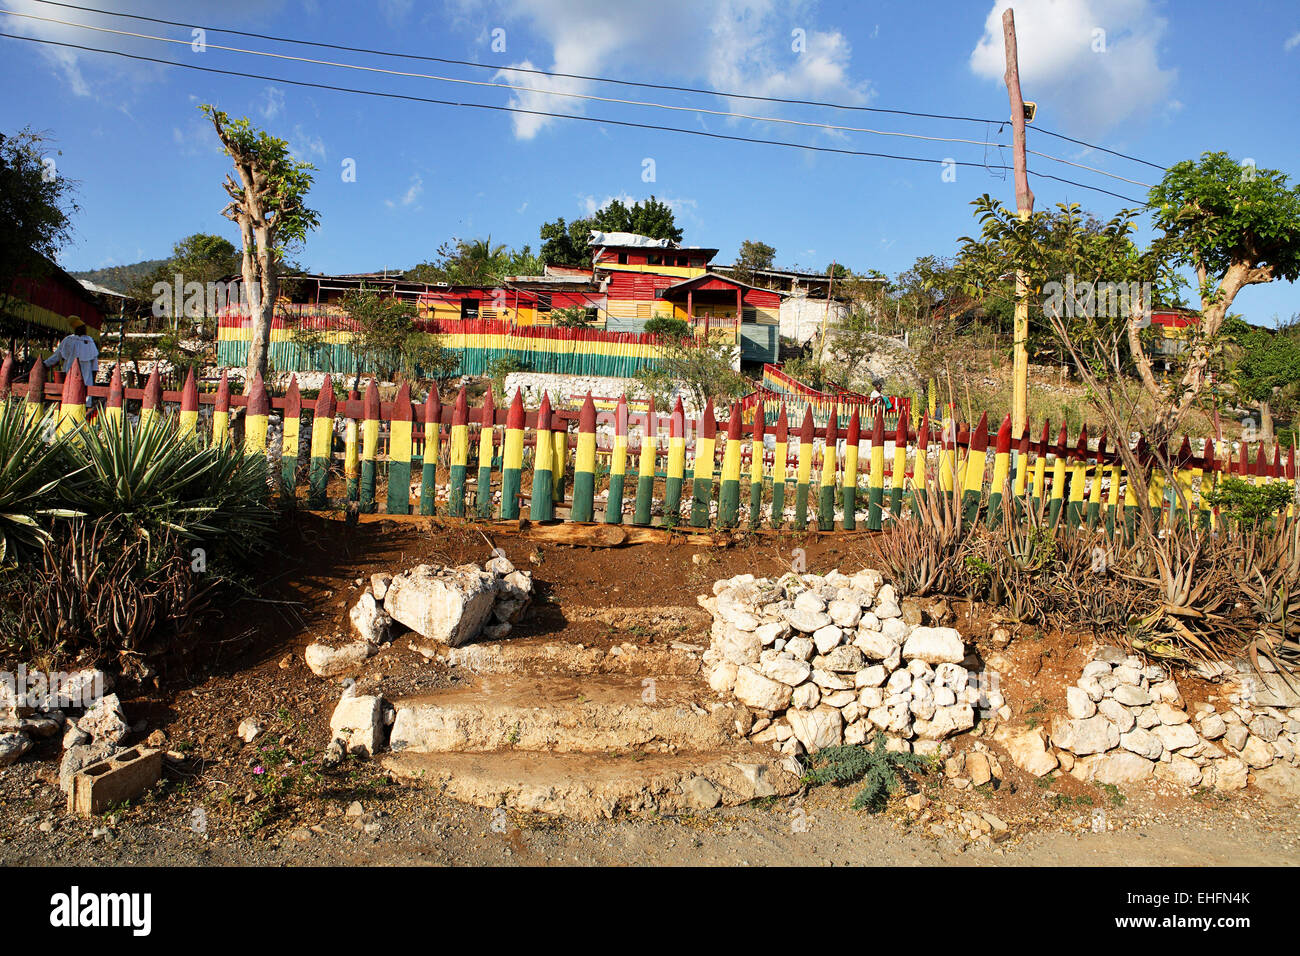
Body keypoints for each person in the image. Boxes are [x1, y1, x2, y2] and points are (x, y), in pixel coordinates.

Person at [44, 318, 99, 412]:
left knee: (73, 397)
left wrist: (45, 364)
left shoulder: (85, 341)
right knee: (78, 397)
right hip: (79, 373)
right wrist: (45, 364)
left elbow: (57, 356)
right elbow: (94, 365)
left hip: (76, 373)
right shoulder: (74, 340)